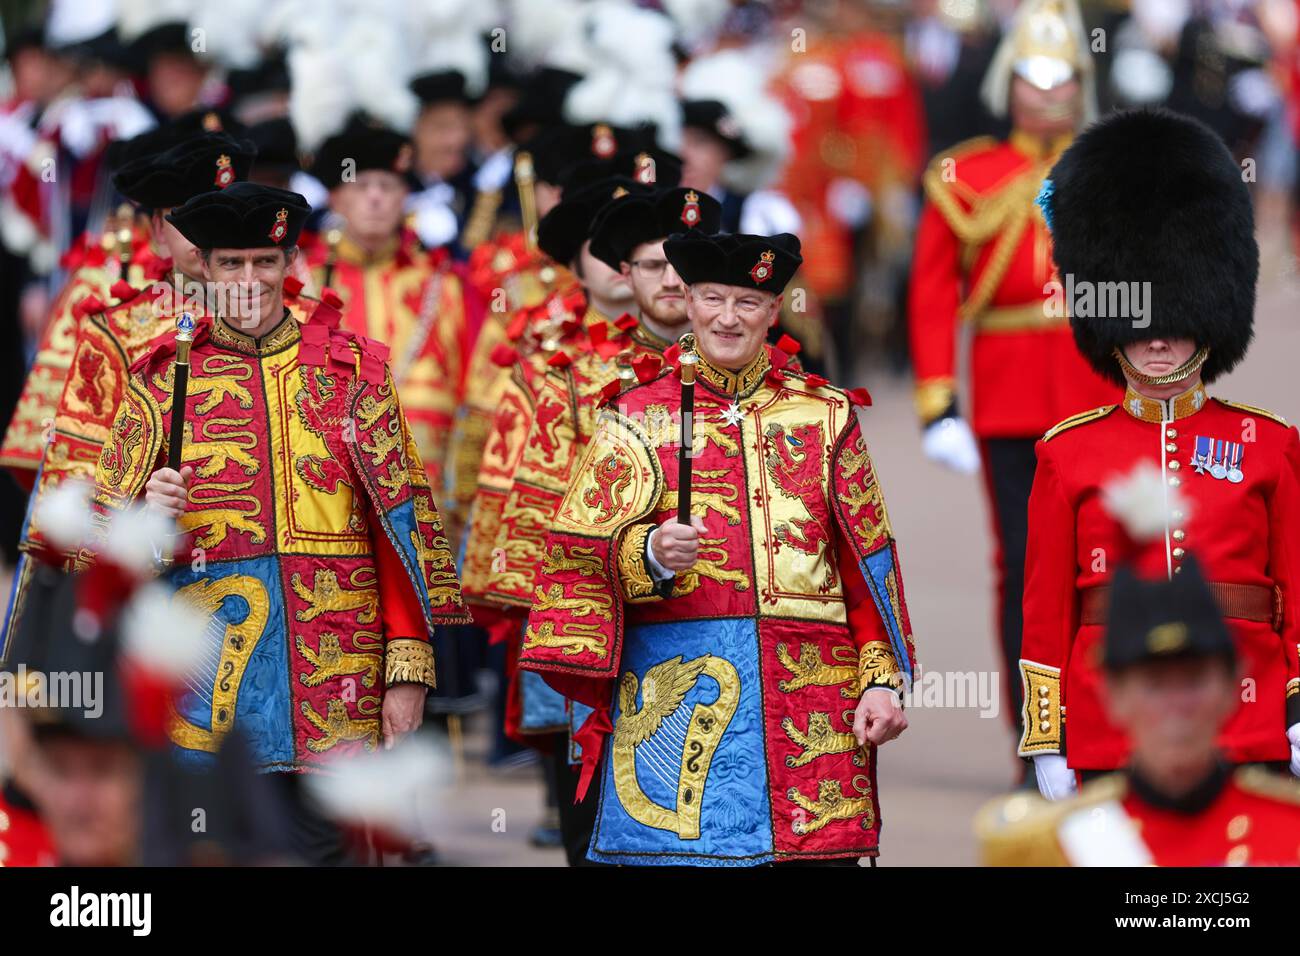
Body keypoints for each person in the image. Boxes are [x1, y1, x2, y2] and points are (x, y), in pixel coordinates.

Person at [84, 183, 468, 862]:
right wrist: (148, 516)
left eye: (266, 261)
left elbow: (402, 533)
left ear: (291, 261)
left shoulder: (357, 374)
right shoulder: (157, 381)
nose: (249, 280)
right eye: (231, 264)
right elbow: (96, 564)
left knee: (333, 851)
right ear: (201, 267)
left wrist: (406, 673)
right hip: (210, 685)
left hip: (339, 670)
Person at [519, 230, 916, 865]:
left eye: (748, 303)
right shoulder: (634, 415)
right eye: (712, 299)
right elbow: (572, 563)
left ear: (774, 311)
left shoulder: (825, 415)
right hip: (678, 698)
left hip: (813, 703)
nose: (728, 318)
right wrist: (646, 554)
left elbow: (865, 565)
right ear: (690, 300)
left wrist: (882, 682)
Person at [1020, 107, 1300, 798]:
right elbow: (1046, 615)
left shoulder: (1271, 445)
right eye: (1140, 325)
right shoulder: (1066, 453)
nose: (1156, 340)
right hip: (1107, 719)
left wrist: (1298, 706)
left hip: (1247, 711)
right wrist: (1048, 736)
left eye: (1175, 323)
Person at [907, 0, 1118, 765]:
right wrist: (939, 403)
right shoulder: (969, 175)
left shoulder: (1110, 169)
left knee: (1108, 566)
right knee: (1027, 571)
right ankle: (1039, 738)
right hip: (1009, 404)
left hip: (1103, 396)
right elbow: (933, 295)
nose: (1049, 91)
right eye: (1033, 76)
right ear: (1010, 85)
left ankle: (1101, 729)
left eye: (1064, 77)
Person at [980, 558, 1300, 866]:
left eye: (1193, 681)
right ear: (1113, 696)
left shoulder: (1292, 837)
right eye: (1155, 684)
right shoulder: (1055, 849)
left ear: (1231, 686)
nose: (1176, 706)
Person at [302, 115, 476, 489]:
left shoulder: (443, 284)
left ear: (405, 198)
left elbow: (474, 392)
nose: (376, 197)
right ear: (335, 197)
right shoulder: (303, 283)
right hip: (331, 482)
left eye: (388, 185)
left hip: (430, 490)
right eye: (361, 185)